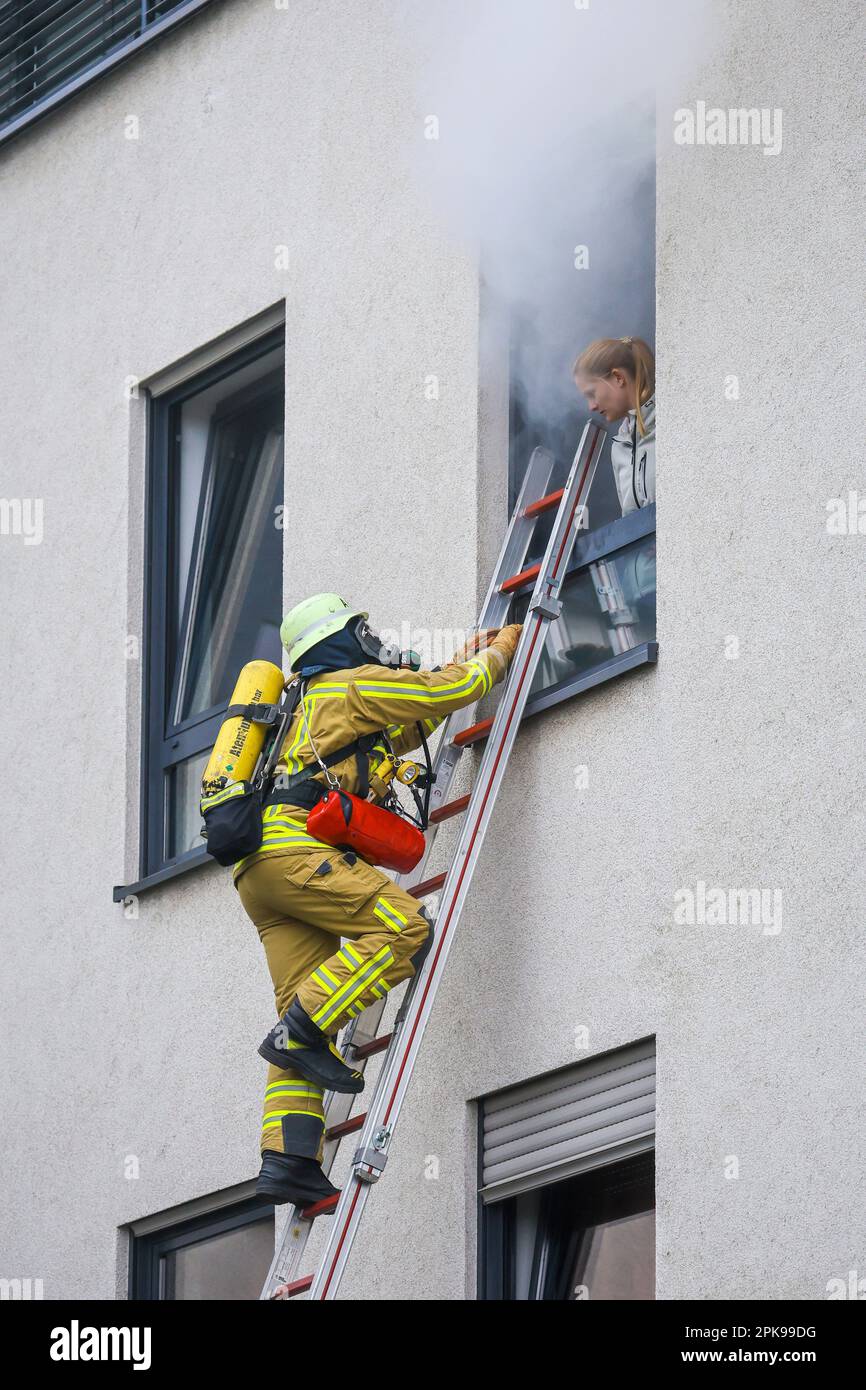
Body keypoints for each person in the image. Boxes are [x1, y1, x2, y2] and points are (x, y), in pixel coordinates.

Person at [234, 592, 523, 1208]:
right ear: (338, 640)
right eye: (359, 630)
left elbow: (412, 721)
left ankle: (288, 1161)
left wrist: (452, 662)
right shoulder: (349, 686)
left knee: (298, 997)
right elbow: (445, 693)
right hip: (296, 853)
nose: (372, 639)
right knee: (404, 928)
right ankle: (302, 1032)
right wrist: (502, 650)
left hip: (259, 872)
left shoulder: (311, 707)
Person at [572, 336, 656, 516]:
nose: (591, 406)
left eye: (591, 393)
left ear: (618, 377)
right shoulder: (618, 447)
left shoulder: (673, 423)